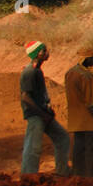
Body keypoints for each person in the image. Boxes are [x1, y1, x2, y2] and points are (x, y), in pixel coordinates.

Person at [20, 40, 70, 176]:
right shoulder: (29, 72)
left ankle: (62, 171)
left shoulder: (37, 71)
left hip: (43, 113)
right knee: (33, 147)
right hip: (36, 115)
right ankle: (28, 177)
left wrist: (47, 111)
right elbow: (25, 97)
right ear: (37, 54)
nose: (47, 52)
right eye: (44, 51)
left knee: (63, 137)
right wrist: (42, 114)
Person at [65, 46, 93, 177]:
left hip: (76, 121)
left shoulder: (70, 73)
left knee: (78, 149)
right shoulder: (86, 76)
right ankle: (90, 176)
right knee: (92, 151)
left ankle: (77, 175)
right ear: (87, 59)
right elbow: (92, 103)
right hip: (89, 121)